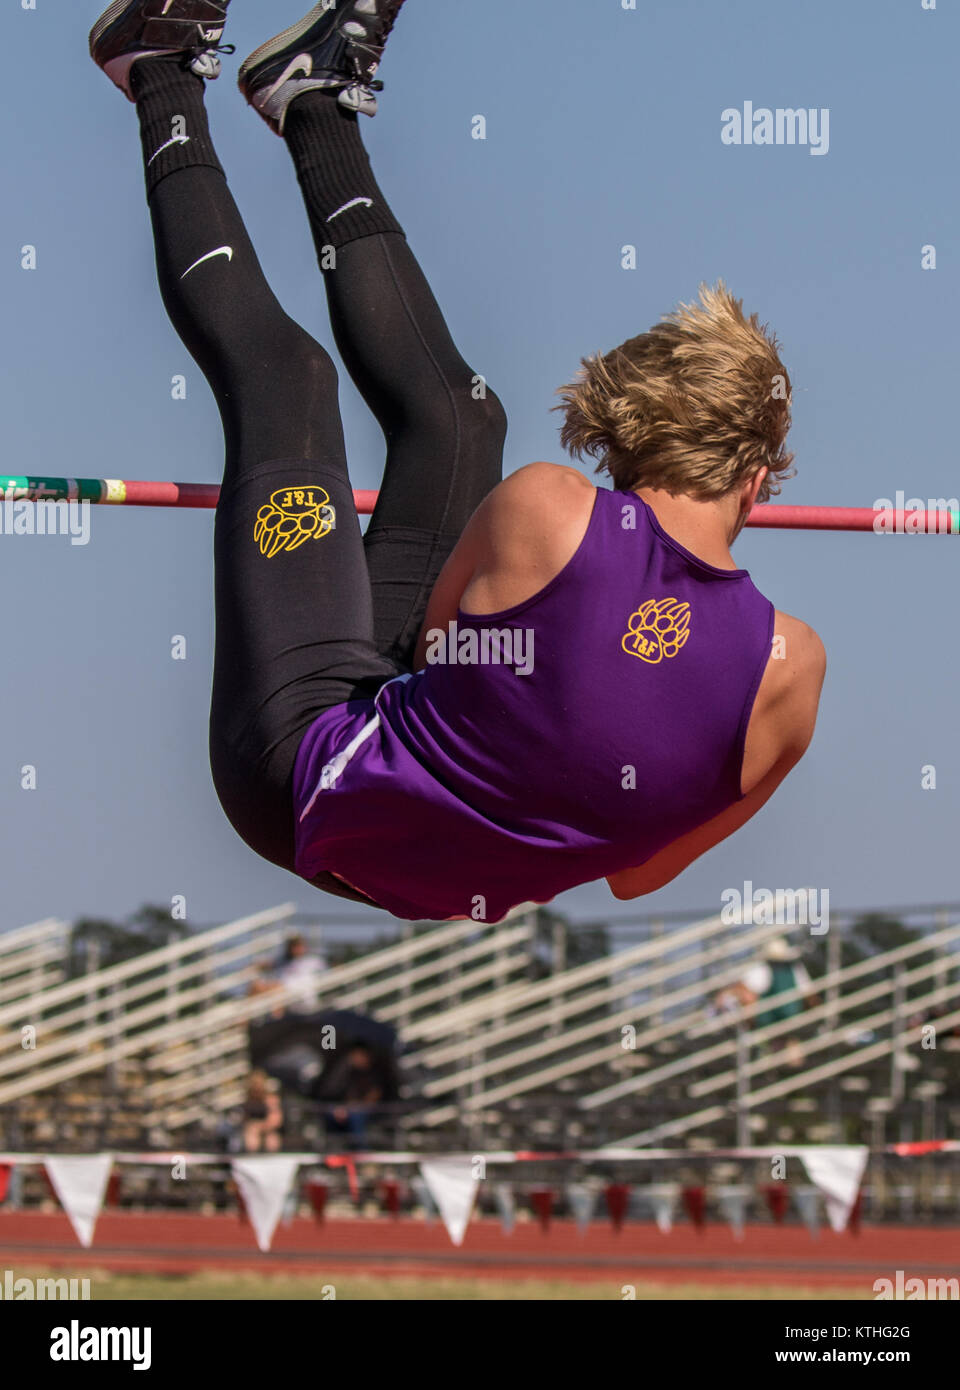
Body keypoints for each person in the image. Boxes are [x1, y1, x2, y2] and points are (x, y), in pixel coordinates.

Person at [89, 1, 825, 926]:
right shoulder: (793, 668)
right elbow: (637, 876)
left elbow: (439, 644)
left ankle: (153, 70)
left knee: (291, 385)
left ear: (623, 432)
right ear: (759, 481)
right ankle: (312, 104)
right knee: (463, 419)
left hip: (299, 774)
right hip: (419, 857)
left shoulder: (549, 510)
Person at [241, 1070, 284, 1152]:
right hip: (252, 1130)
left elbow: (276, 1120)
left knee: (271, 1139)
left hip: (268, 1129)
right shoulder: (248, 1100)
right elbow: (245, 1120)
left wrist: (259, 1127)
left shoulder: (271, 1099)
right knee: (251, 1135)